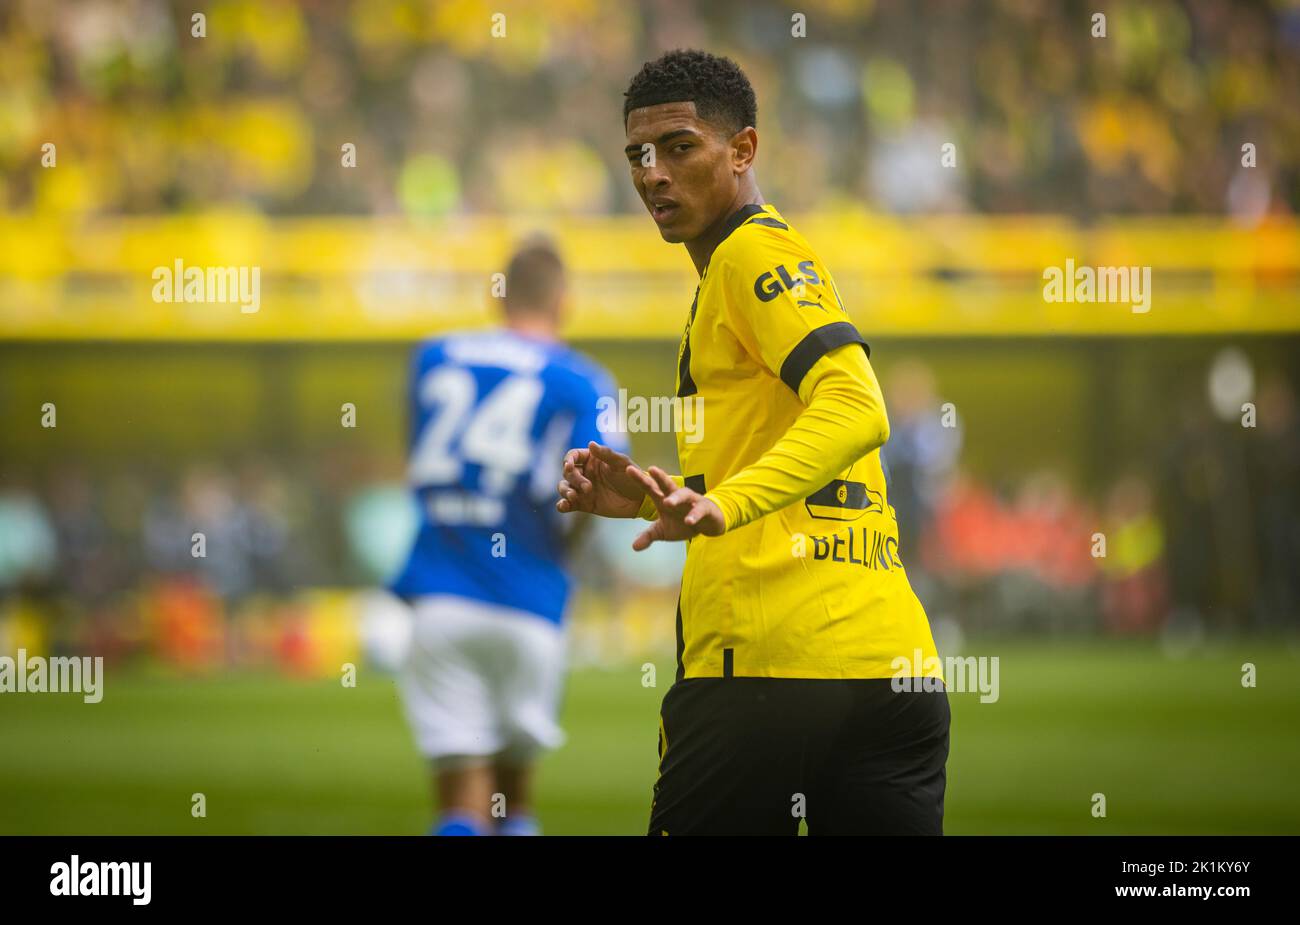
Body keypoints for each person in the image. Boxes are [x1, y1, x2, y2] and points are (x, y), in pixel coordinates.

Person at [557, 50, 949, 835]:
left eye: (679, 146)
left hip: (764, 669)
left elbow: (856, 406)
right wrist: (650, 496)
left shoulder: (750, 255)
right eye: (638, 153)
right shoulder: (751, 270)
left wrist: (725, 502)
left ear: (744, 151)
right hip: (893, 670)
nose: (652, 174)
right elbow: (790, 446)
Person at [391, 239, 623, 835]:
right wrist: (565, 557)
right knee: (513, 804)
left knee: (461, 805)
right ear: (564, 299)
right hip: (531, 598)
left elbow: (421, 459)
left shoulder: (433, 357)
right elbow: (599, 492)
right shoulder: (584, 380)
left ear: (500, 291)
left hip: (440, 596)